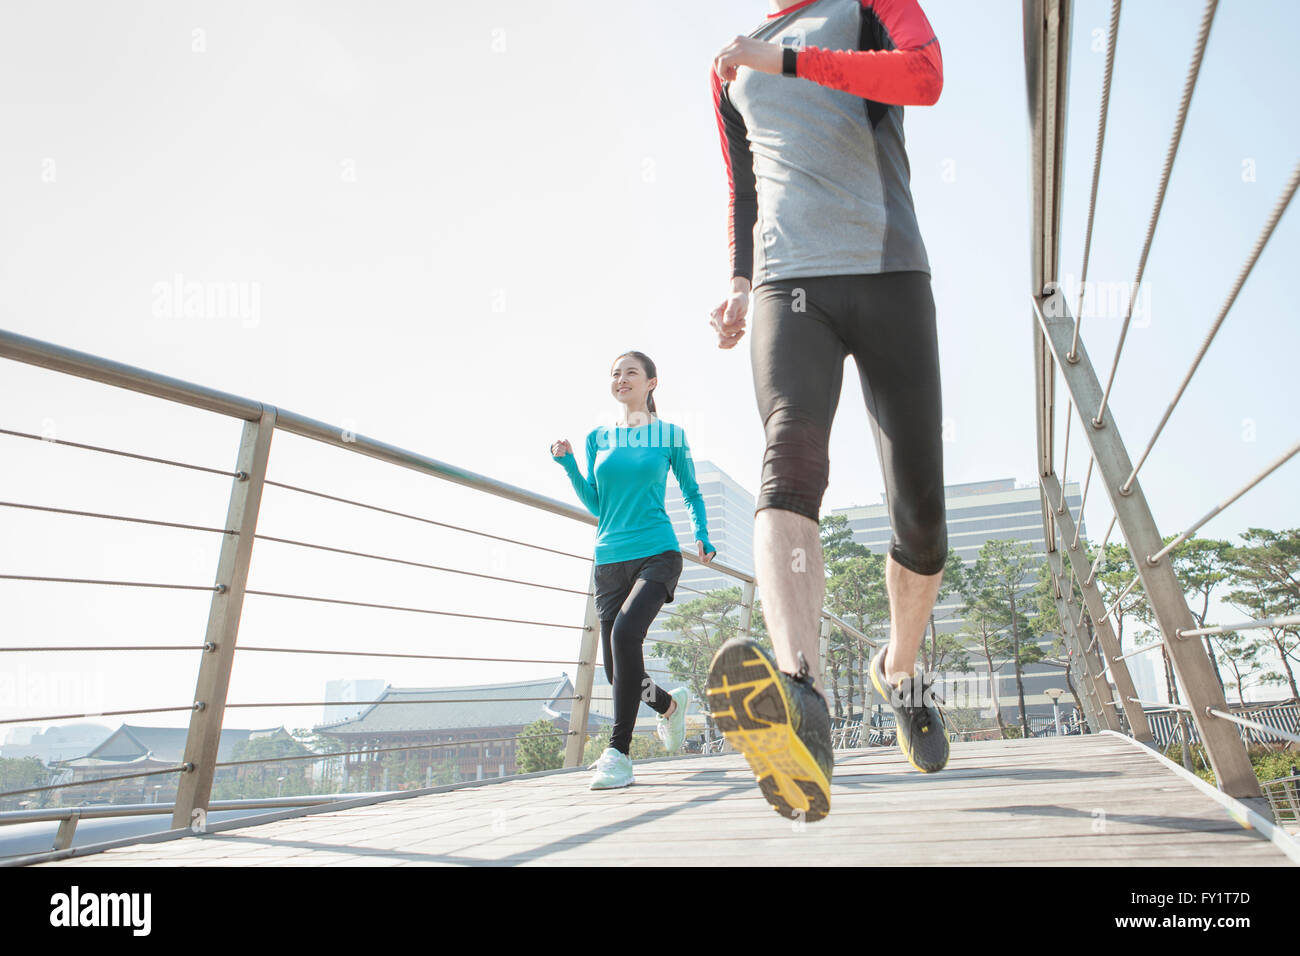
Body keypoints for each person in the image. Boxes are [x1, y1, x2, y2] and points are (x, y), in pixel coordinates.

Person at [704, 0, 950, 823]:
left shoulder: (870, 5)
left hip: (887, 270)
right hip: (787, 284)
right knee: (790, 458)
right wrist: (739, 282)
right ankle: (801, 696)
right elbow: (743, 183)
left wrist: (796, 66)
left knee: (921, 515)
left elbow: (925, 77)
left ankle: (900, 670)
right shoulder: (731, 60)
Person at [551, 351, 717, 790]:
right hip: (608, 559)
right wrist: (569, 465)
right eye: (615, 374)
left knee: (626, 637)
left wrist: (701, 533)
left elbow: (690, 490)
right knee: (616, 672)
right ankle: (669, 707)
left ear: (651, 383)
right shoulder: (598, 437)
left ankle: (618, 753)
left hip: (657, 553)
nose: (621, 379)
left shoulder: (669, 436)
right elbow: (598, 505)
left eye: (630, 372)